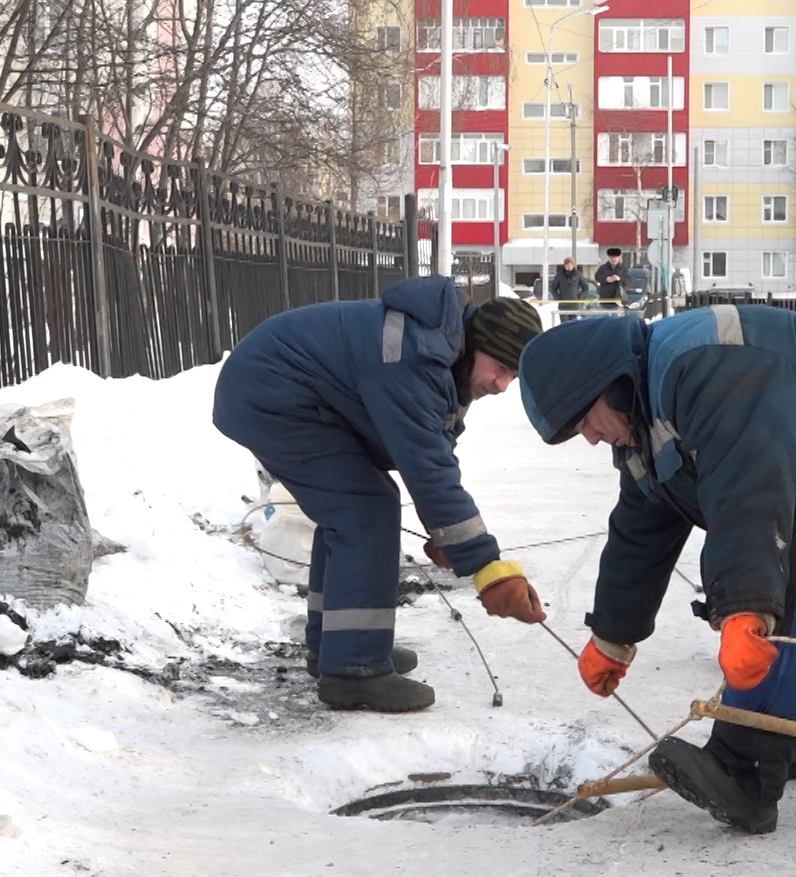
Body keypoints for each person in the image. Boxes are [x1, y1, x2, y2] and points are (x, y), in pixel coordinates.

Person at [518, 303, 796, 833]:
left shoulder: (707, 363)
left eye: (584, 421)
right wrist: (614, 635)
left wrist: (748, 606)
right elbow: (642, 526)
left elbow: (748, 488)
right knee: (774, 580)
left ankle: (745, 770)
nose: (588, 437)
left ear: (608, 385)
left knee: (794, 579)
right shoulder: (643, 411)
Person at [213, 278, 548, 713]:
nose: (503, 385)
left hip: (283, 391)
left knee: (357, 508)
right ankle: (353, 670)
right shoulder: (415, 357)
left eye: (513, 376)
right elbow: (427, 468)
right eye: (501, 368)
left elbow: (434, 447)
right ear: (479, 343)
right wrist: (488, 568)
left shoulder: (445, 355)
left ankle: (335, 646)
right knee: (363, 511)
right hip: (271, 394)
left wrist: (449, 535)